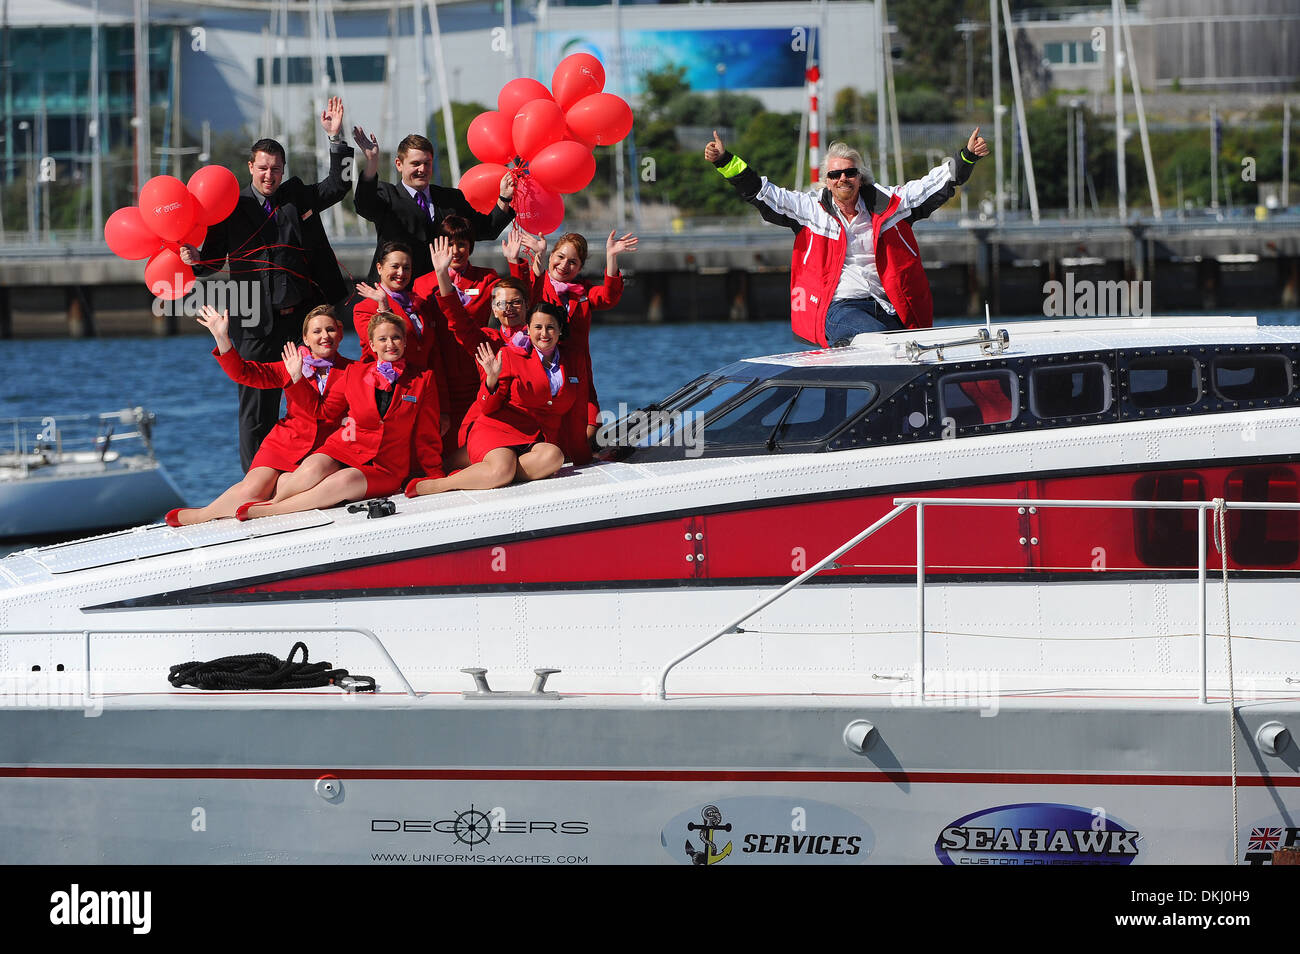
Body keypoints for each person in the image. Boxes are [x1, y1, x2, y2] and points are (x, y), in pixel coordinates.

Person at [180, 96, 354, 472]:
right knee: (256, 411)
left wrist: (336, 139)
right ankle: (254, 482)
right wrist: (194, 260)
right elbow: (211, 262)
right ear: (250, 168)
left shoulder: (296, 196)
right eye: (262, 168)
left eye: (275, 169)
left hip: (298, 323)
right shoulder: (231, 206)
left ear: (283, 170)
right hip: (254, 325)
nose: (269, 175)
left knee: (308, 403)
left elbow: (338, 187)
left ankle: (304, 473)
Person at [704, 127, 989, 347]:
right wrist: (725, 161)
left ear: (860, 177)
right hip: (840, 307)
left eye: (849, 172)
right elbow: (761, 192)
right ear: (826, 180)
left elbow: (935, 183)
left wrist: (967, 156)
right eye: (835, 173)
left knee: (910, 356)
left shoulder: (891, 205)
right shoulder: (810, 211)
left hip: (890, 305)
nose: (843, 178)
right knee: (880, 344)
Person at [237, 312, 444, 519]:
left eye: (396, 337)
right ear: (372, 345)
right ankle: (274, 500)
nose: (390, 344)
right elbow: (323, 411)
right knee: (313, 466)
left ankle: (272, 509)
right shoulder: (354, 372)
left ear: (405, 341)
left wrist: (436, 477)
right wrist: (297, 379)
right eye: (382, 339)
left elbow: (426, 435)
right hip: (346, 449)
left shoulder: (423, 379)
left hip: (386, 467)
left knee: (344, 482)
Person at [167, 304, 353, 526]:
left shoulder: (353, 371)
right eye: (317, 331)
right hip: (285, 443)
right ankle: (201, 515)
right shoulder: (291, 365)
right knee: (252, 489)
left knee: (301, 483)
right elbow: (244, 373)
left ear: (340, 333)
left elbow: (327, 412)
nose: (325, 336)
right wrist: (222, 338)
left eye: (330, 329)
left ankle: (269, 504)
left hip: (323, 451)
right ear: (305, 337)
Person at [406, 301, 586, 497]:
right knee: (500, 470)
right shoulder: (509, 355)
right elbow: (487, 407)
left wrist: (583, 457)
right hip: (497, 430)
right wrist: (491, 380)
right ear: (528, 329)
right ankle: (438, 485)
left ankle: (483, 473)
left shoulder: (574, 360)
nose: (544, 333)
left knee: (554, 457)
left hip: (534, 439)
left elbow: (578, 413)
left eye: (550, 327)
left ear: (560, 329)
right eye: (538, 327)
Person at [511, 228, 637, 437]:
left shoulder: (583, 292)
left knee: (589, 432)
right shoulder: (538, 287)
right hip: (544, 374)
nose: (564, 265)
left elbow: (608, 297)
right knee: (550, 436)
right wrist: (538, 255)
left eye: (572, 262)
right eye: (560, 257)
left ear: (579, 267)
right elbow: (524, 290)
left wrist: (611, 256)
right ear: (551, 256)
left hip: (578, 374)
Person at [352, 129, 516, 281]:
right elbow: (364, 204)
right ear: (399, 164)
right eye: (415, 164)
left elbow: (486, 229)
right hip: (395, 292)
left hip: (438, 293)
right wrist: (372, 162)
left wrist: (504, 198)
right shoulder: (387, 195)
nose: (422, 169)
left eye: (427, 163)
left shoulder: (451, 198)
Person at [427, 235, 534, 465]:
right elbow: (456, 319)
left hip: (527, 425)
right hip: (489, 422)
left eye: (516, 303)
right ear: (493, 311)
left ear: (527, 305)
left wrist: (515, 261)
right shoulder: (487, 341)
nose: (509, 309)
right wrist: (442, 274)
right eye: (501, 304)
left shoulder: (540, 339)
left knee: (549, 457)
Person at [411, 213, 501, 325]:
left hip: (475, 342)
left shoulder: (487, 278)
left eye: (461, 244)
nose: (455, 251)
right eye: (449, 244)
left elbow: (516, 301)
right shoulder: (422, 284)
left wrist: (514, 261)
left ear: (470, 246)